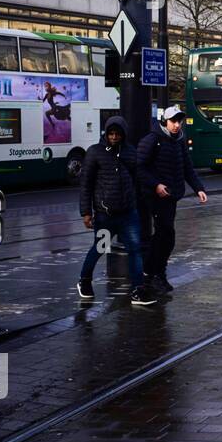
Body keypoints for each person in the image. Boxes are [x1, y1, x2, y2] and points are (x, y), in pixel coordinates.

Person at [77, 116, 155, 306]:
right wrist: (86, 212)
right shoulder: (95, 152)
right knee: (100, 248)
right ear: (106, 133)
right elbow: (85, 184)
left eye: (117, 134)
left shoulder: (130, 152)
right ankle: (84, 281)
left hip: (128, 214)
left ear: (123, 135)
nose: (113, 137)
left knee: (135, 250)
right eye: (110, 133)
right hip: (105, 215)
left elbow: (137, 179)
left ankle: (137, 290)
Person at [137, 105, 208, 294]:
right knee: (164, 235)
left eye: (179, 121)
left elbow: (187, 167)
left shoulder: (179, 141)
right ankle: (150, 275)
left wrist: (198, 188)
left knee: (166, 237)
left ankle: (158, 274)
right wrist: (156, 185)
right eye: (173, 121)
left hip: (172, 195)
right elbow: (140, 168)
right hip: (156, 196)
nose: (176, 125)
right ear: (164, 122)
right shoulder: (152, 140)